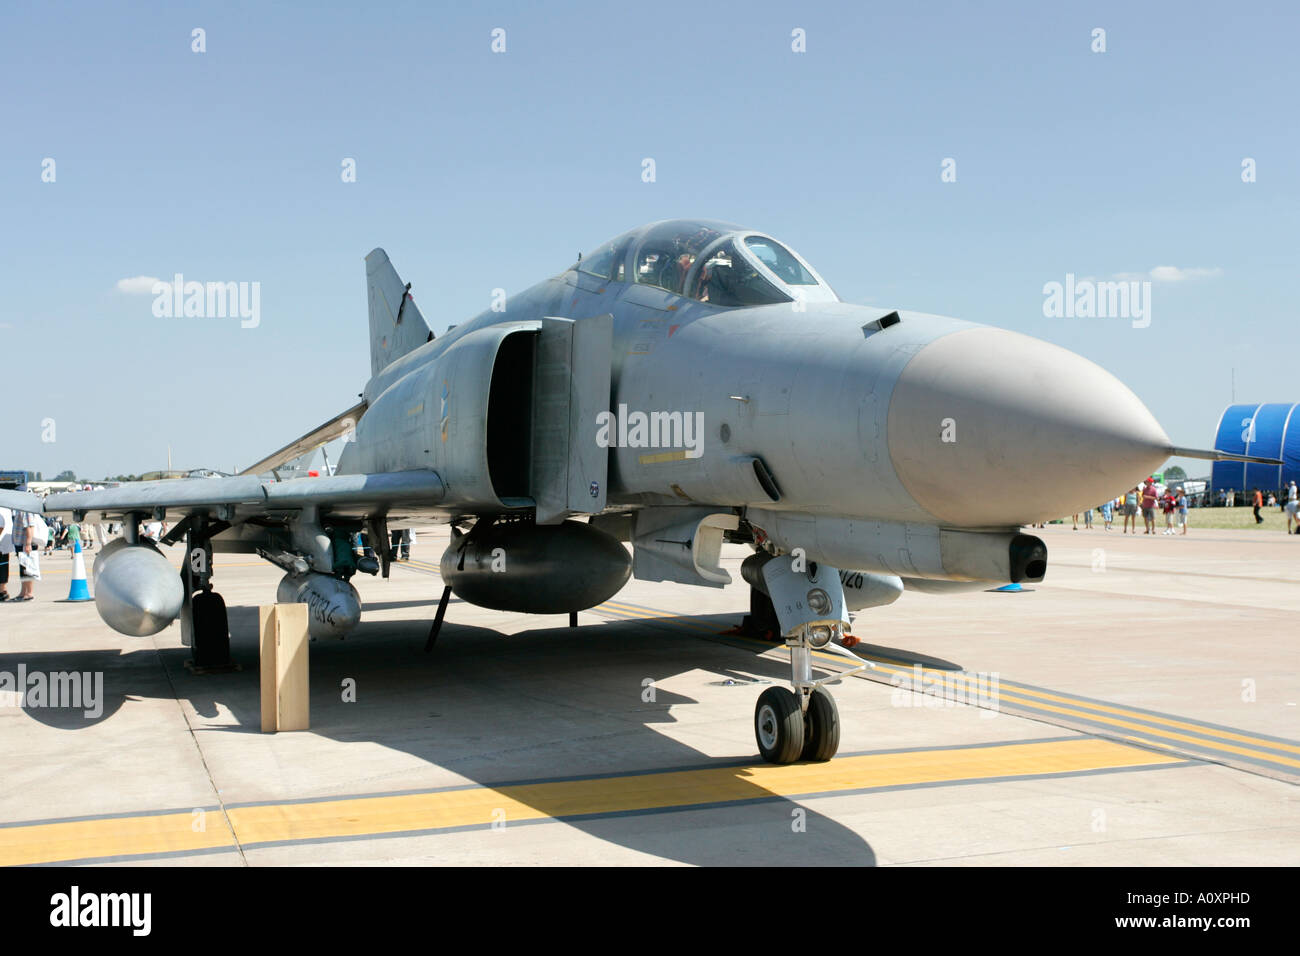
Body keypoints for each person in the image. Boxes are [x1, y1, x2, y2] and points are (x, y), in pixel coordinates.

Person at [0, 505, 12, 601]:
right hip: (5, 543)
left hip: (2, 543)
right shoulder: (6, 507)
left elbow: (1, 526)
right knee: (3, 566)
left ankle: (2, 591)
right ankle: (3, 591)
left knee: (2, 567)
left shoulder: (2, 508)